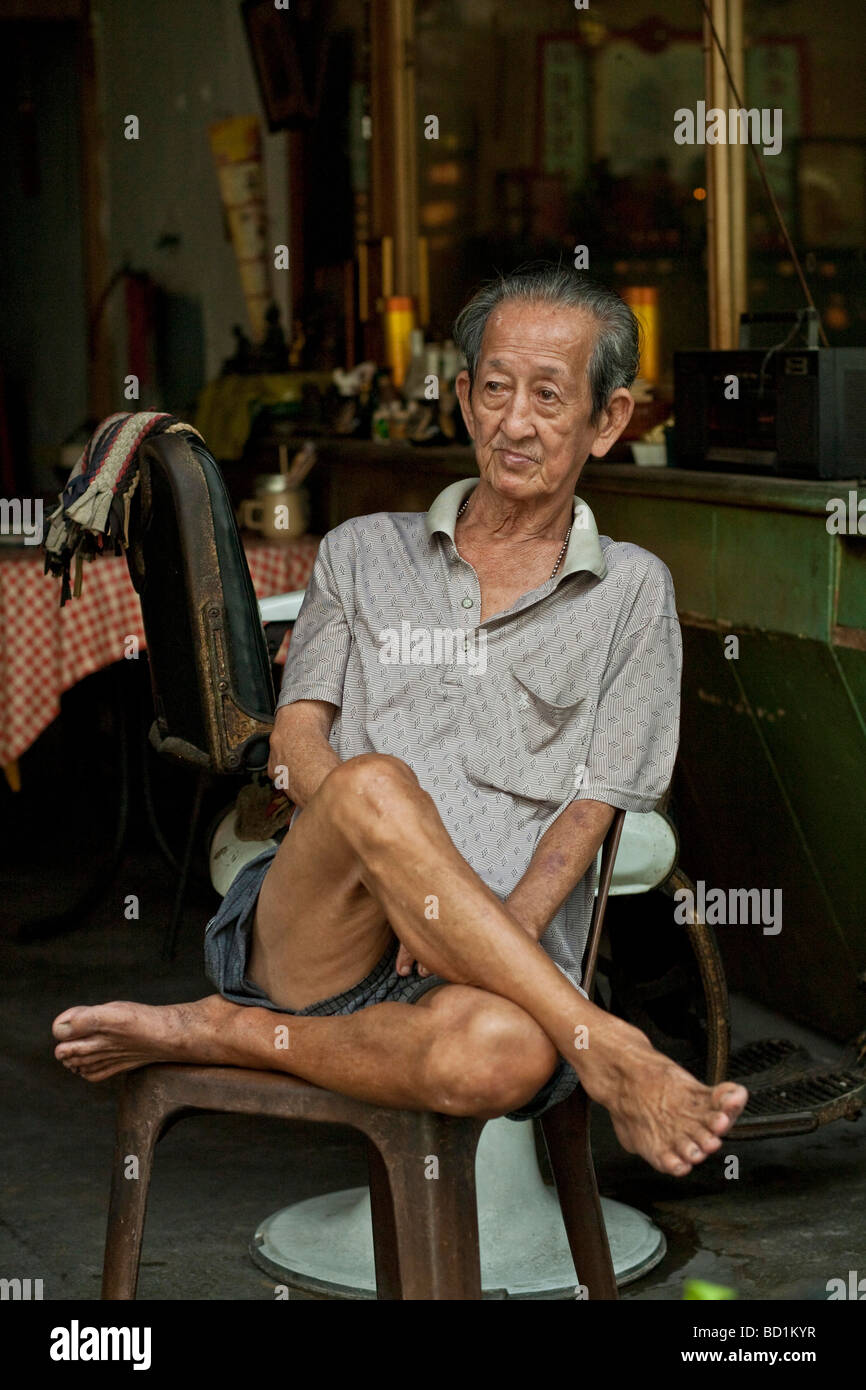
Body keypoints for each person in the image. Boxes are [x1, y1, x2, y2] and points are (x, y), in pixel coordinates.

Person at [53, 264, 747, 1177]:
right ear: (463, 399)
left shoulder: (632, 595)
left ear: (607, 421)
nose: (517, 421)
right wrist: (402, 885)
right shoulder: (360, 553)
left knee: (507, 1055)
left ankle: (229, 1031)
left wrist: (474, 930)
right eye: (496, 388)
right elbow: (297, 741)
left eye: (548, 395)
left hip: (493, 964)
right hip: (319, 934)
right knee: (375, 782)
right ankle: (607, 1045)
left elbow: (594, 810)